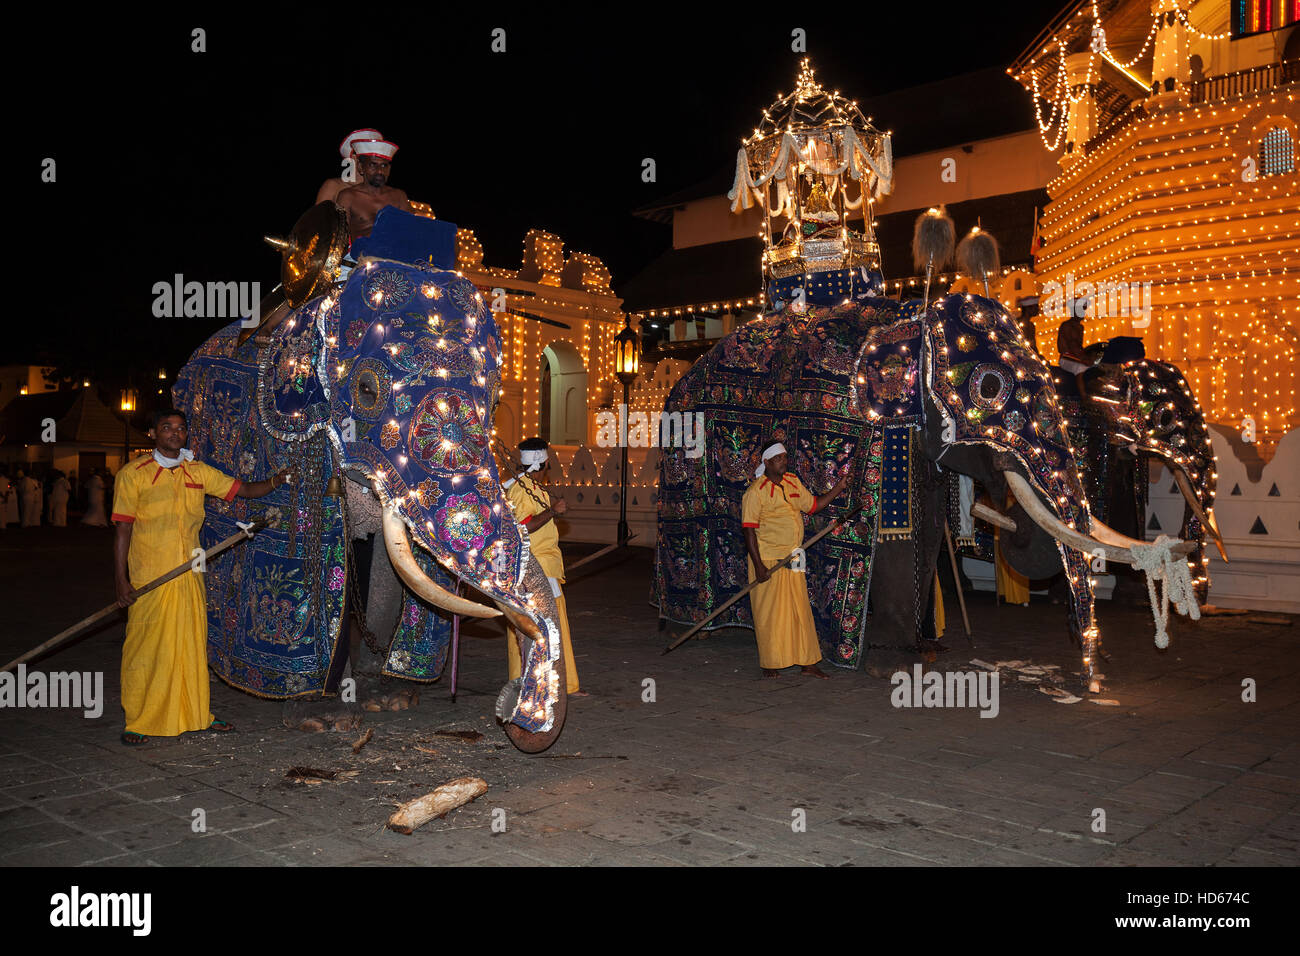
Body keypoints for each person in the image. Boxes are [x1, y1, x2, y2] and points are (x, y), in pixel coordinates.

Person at [112, 409, 290, 746]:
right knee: (145, 646)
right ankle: (138, 720)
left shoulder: (197, 471)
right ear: (152, 433)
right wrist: (121, 580)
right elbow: (123, 529)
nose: (174, 433)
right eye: (166, 427)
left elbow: (244, 490)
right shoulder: (132, 474)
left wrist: (276, 481)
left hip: (190, 570)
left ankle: (196, 714)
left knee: (190, 643)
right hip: (150, 575)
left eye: (180, 428)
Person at [742, 442, 849, 678]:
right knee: (771, 614)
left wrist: (839, 488)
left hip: (795, 555)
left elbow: (813, 506)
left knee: (799, 609)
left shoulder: (792, 482)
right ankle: (770, 663)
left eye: (785, 457)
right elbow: (749, 531)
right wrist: (759, 565)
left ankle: (807, 662)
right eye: (778, 458)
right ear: (767, 462)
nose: (783, 461)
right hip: (768, 559)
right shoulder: (755, 492)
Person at [502, 438, 584, 696]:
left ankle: (557, 682)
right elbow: (523, 527)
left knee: (544, 624)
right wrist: (553, 511)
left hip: (545, 565)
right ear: (545, 461)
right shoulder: (521, 488)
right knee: (543, 625)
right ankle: (550, 683)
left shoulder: (532, 486)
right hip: (536, 568)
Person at [334, 140, 411, 242]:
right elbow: (339, 237)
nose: (379, 171)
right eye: (373, 165)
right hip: (358, 256)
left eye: (384, 166)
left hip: (394, 255)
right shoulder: (348, 196)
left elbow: (410, 231)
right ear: (361, 167)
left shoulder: (399, 196)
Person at [316, 128, 383, 205]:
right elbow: (318, 216)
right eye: (368, 154)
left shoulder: (383, 191)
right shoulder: (334, 186)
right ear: (354, 157)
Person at [1057, 299, 1090, 394]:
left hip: (1077, 356)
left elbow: (1078, 346)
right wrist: (1083, 358)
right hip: (1066, 357)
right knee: (1080, 369)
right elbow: (1072, 345)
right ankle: (1084, 397)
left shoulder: (1080, 327)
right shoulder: (1067, 326)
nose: (1084, 313)